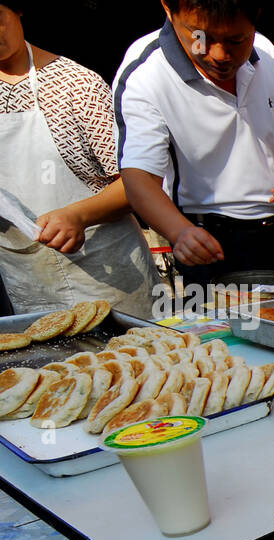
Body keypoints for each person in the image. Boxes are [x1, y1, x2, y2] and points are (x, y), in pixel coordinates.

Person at [114, 0, 274, 290]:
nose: (220, 54)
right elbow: (139, 179)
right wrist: (180, 232)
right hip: (206, 242)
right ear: (169, 9)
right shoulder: (147, 73)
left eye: (236, 40)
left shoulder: (267, 52)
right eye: (201, 37)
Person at [0, 1, 158, 317]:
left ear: (17, 9)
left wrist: (79, 215)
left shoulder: (76, 85)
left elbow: (138, 185)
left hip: (105, 275)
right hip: (27, 281)